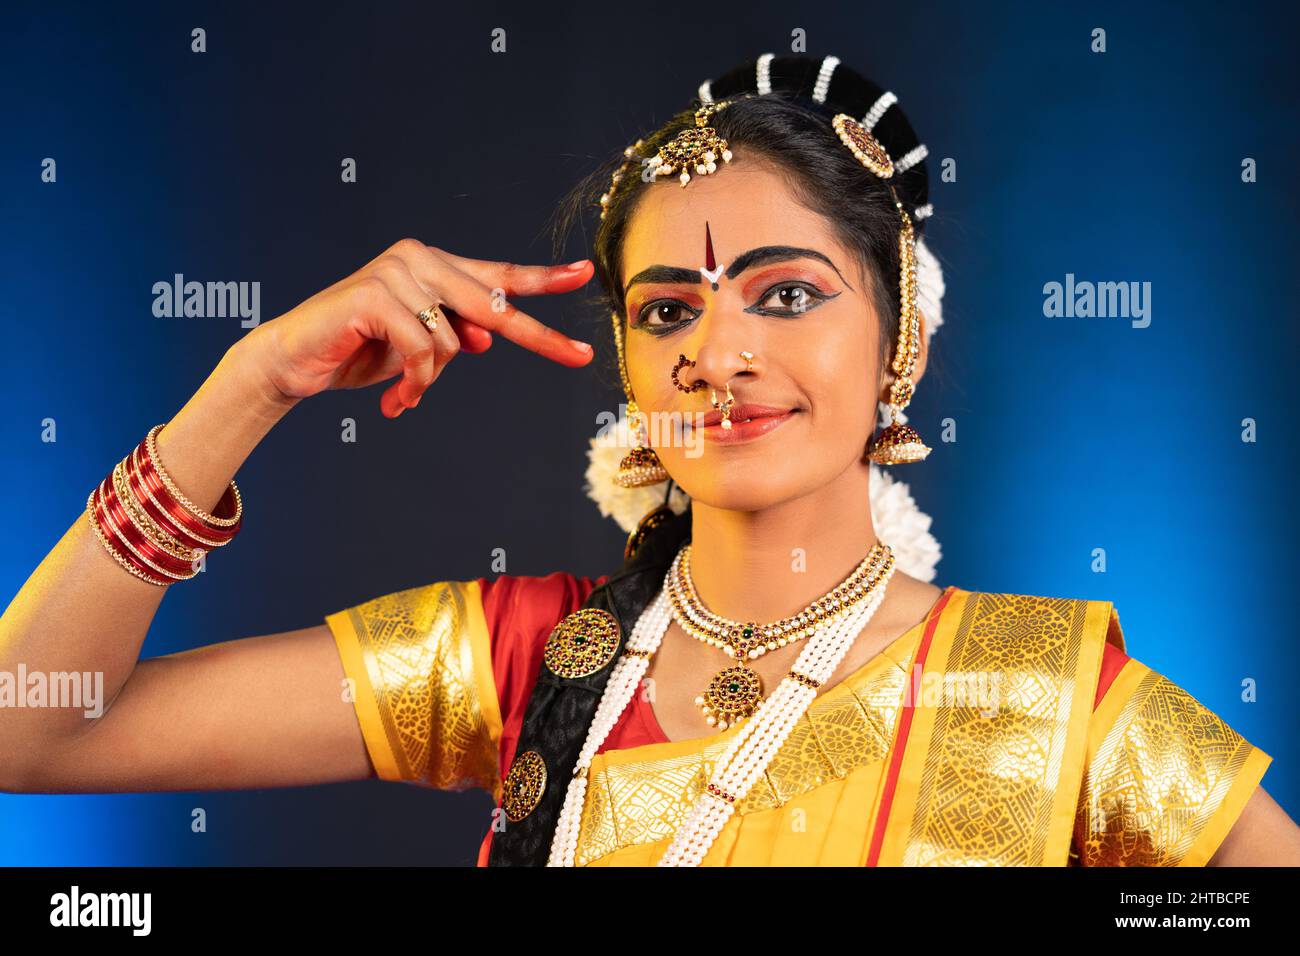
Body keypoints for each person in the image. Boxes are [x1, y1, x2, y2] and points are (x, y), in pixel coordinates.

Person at [1, 53, 1295, 867]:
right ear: (624, 360)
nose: (717, 353)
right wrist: (246, 387)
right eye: (668, 309)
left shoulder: (1047, 695)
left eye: (786, 296)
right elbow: (33, 738)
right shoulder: (525, 660)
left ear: (898, 343)